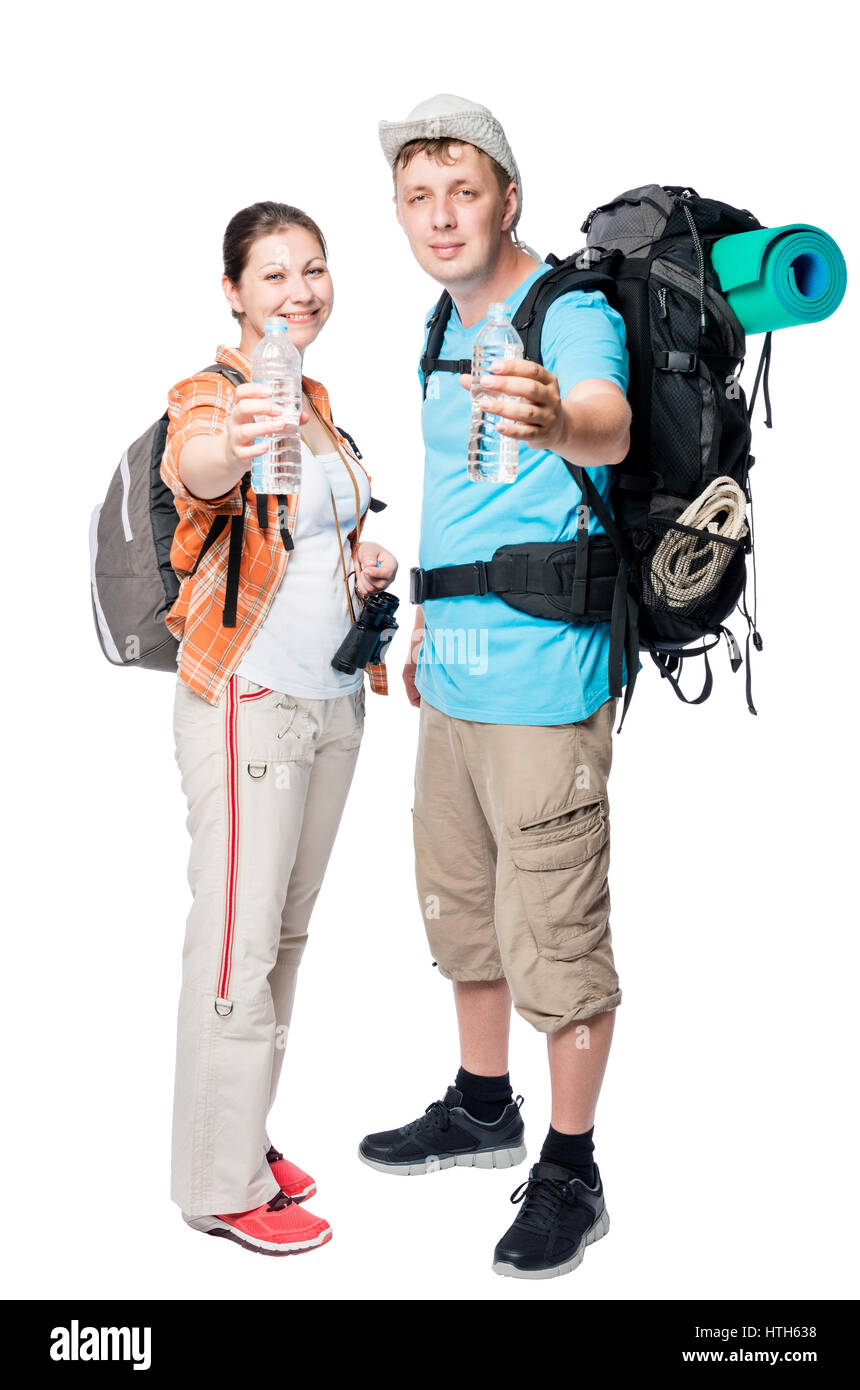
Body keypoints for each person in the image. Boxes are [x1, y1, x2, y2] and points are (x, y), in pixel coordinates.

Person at [359, 96, 633, 1279]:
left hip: (545, 683)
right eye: (419, 198)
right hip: (456, 671)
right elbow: (456, 498)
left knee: (557, 932)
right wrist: (426, 624)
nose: (441, 217)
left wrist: (557, 412)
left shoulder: (564, 312)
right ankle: (484, 1107)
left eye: (463, 192)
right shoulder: (439, 322)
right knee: (461, 906)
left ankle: (571, 1170)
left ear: (507, 197)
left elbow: (607, 423)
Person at [162, 200, 397, 1257]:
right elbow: (199, 468)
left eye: (314, 269)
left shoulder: (319, 404)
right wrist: (236, 436)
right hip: (249, 702)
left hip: (333, 701)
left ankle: (245, 1134)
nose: (300, 291)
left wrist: (362, 564)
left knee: (284, 938)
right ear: (233, 291)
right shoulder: (217, 395)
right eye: (274, 275)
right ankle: (218, 1184)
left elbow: (313, 536)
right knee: (235, 943)